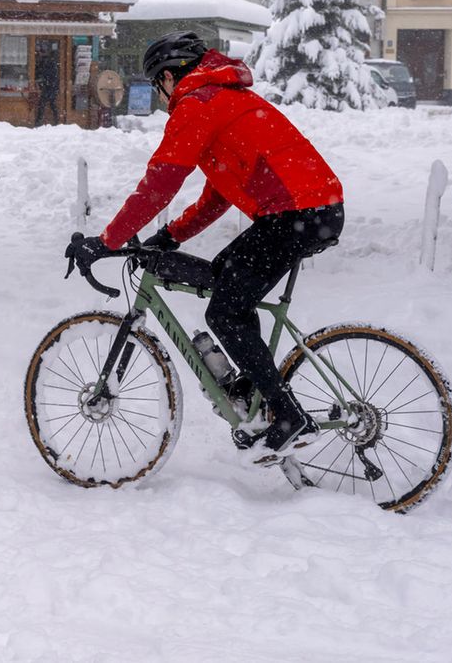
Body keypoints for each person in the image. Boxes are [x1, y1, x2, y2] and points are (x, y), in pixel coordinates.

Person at [67, 30, 344, 459]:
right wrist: (170, 236)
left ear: (167, 77)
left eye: (157, 85)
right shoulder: (223, 97)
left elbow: (160, 183)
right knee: (227, 283)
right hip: (311, 211)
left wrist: (107, 242)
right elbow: (216, 197)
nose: (160, 97)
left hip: (295, 215)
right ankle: (255, 392)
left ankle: (290, 417)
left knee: (224, 311)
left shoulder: (198, 103)